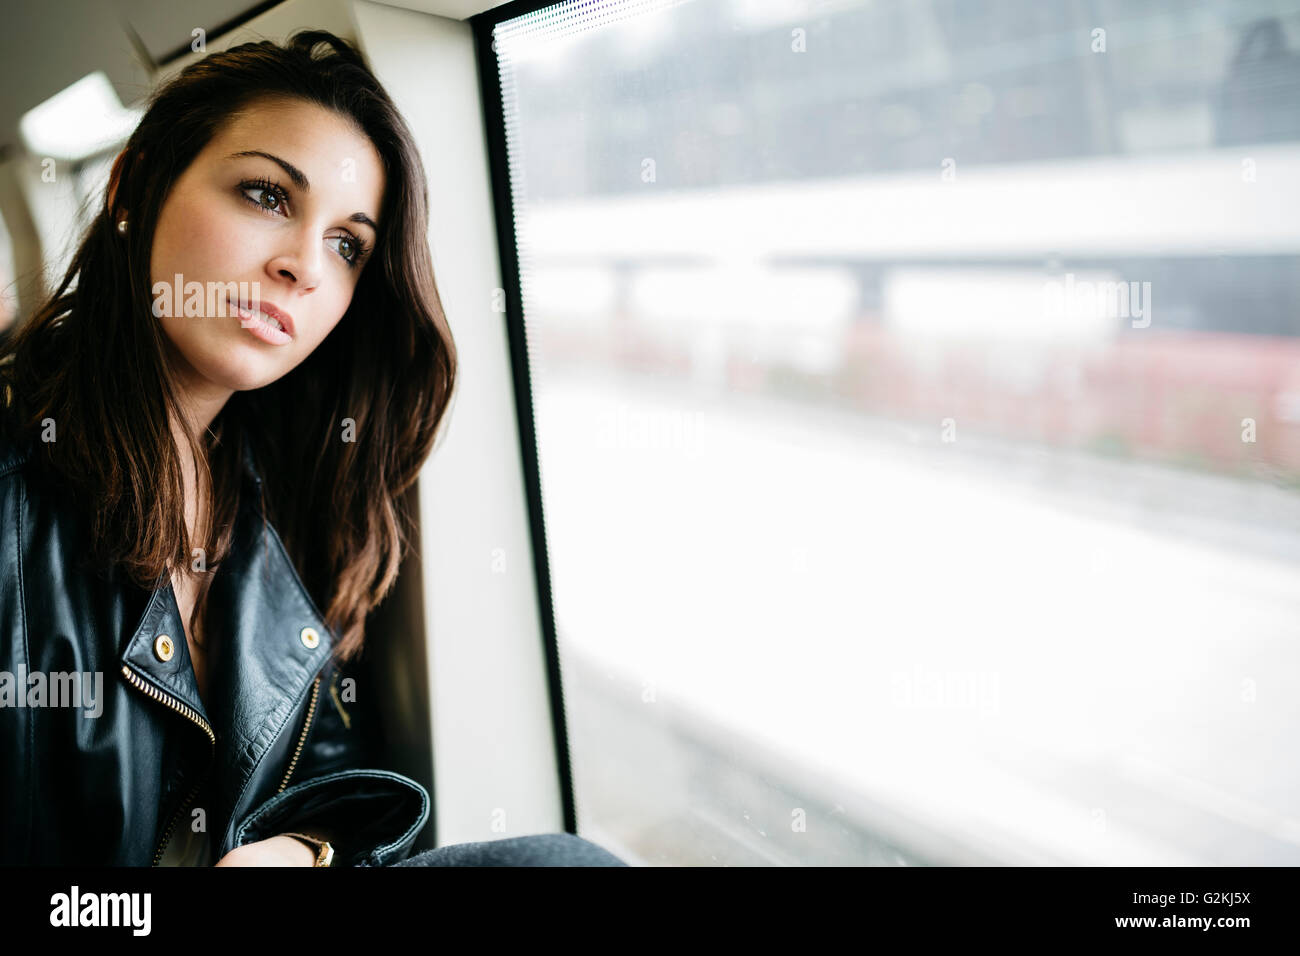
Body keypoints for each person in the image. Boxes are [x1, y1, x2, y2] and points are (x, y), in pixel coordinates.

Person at [0, 30, 622, 868]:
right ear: (132, 185)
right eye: (265, 195)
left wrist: (302, 848)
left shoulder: (279, 483)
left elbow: (316, 761)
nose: (302, 266)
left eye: (347, 245)